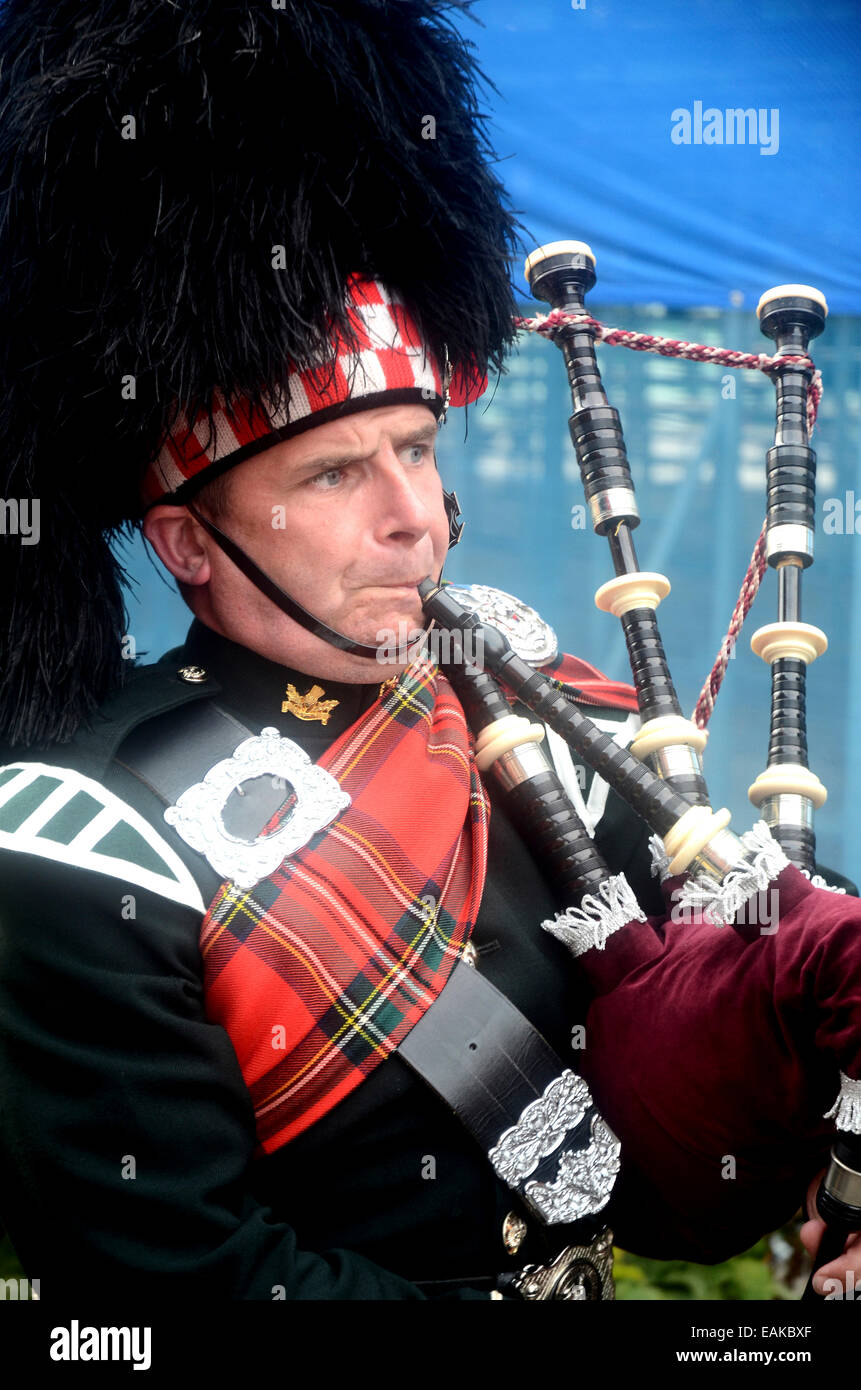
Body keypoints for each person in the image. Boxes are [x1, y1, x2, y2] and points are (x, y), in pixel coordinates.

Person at [0, 0, 858, 1302]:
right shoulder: (77, 826)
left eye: (415, 446)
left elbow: (756, 919)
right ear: (186, 544)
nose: (415, 513)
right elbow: (175, 1277)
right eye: (338, 471)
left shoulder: (512, 686)